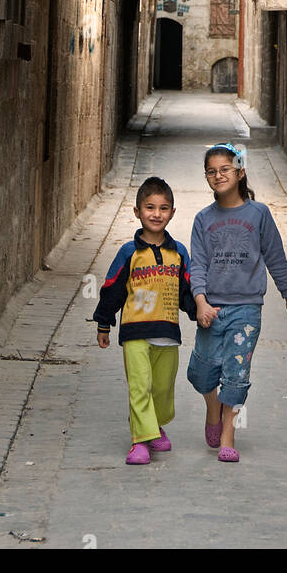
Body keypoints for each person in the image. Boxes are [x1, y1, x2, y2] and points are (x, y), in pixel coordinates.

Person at [187, 143, 287, 463]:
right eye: (211, 171)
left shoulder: (259, 214)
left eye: (225, 169)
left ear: (240, 172)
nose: (218, 175)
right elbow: (197, 265)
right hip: (212, 308)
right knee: (201, 372)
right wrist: (200, 302)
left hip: (248, 308)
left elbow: (275, 256)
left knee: (236, 373)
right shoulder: (203, 219)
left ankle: (228, 434)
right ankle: (213, 409)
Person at [94, 177, 197, 464]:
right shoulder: (129, 252)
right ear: (137, 211)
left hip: (167, 331)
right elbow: (111, 288)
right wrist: (104, 323)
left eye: (164, 208)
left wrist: (198, 313)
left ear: (173, 213)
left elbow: (187, 290)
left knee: (162, 388)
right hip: (134, 331)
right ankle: (139, 442)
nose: (156, 214)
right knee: (140, 386)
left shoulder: (179, 253)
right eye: (149, 207)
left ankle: (155, 426)